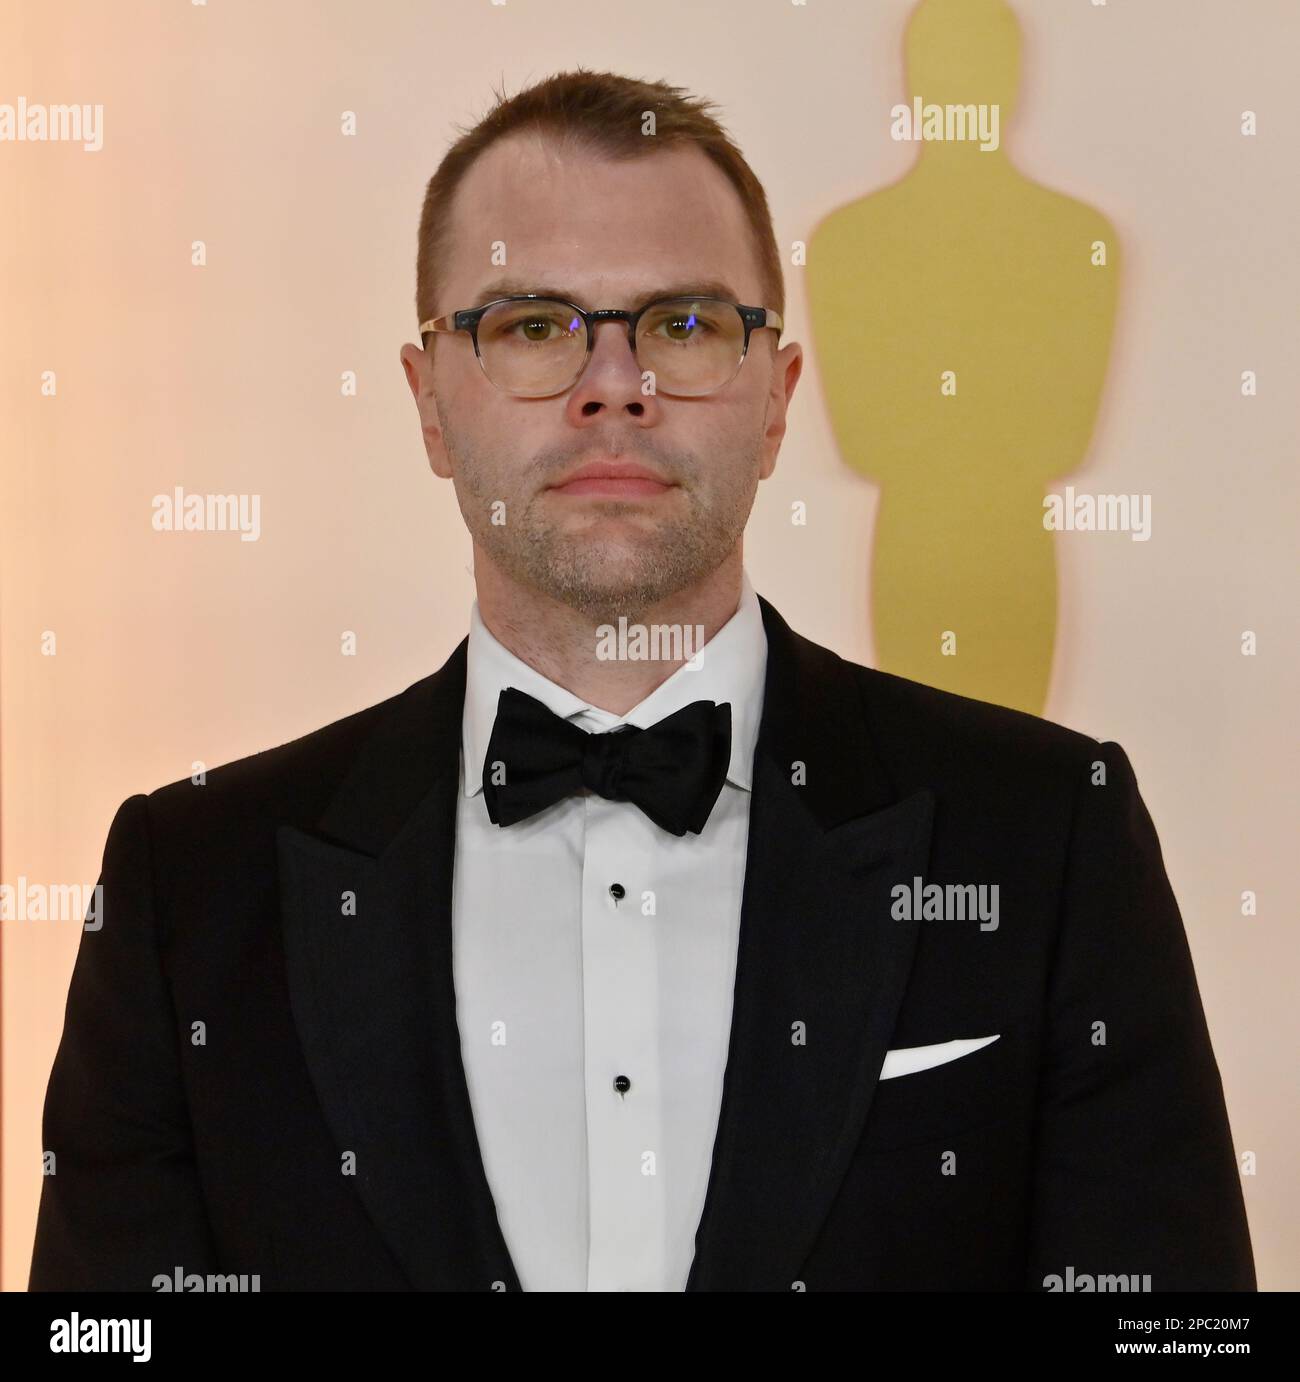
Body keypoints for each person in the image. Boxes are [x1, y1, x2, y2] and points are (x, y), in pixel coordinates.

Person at [29, 68, 1254, 1292]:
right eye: (530, 326)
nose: (613, 384)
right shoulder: (187, 887)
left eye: (680, 324)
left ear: (775, 402)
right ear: (430, 406)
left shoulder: (1048, 833)